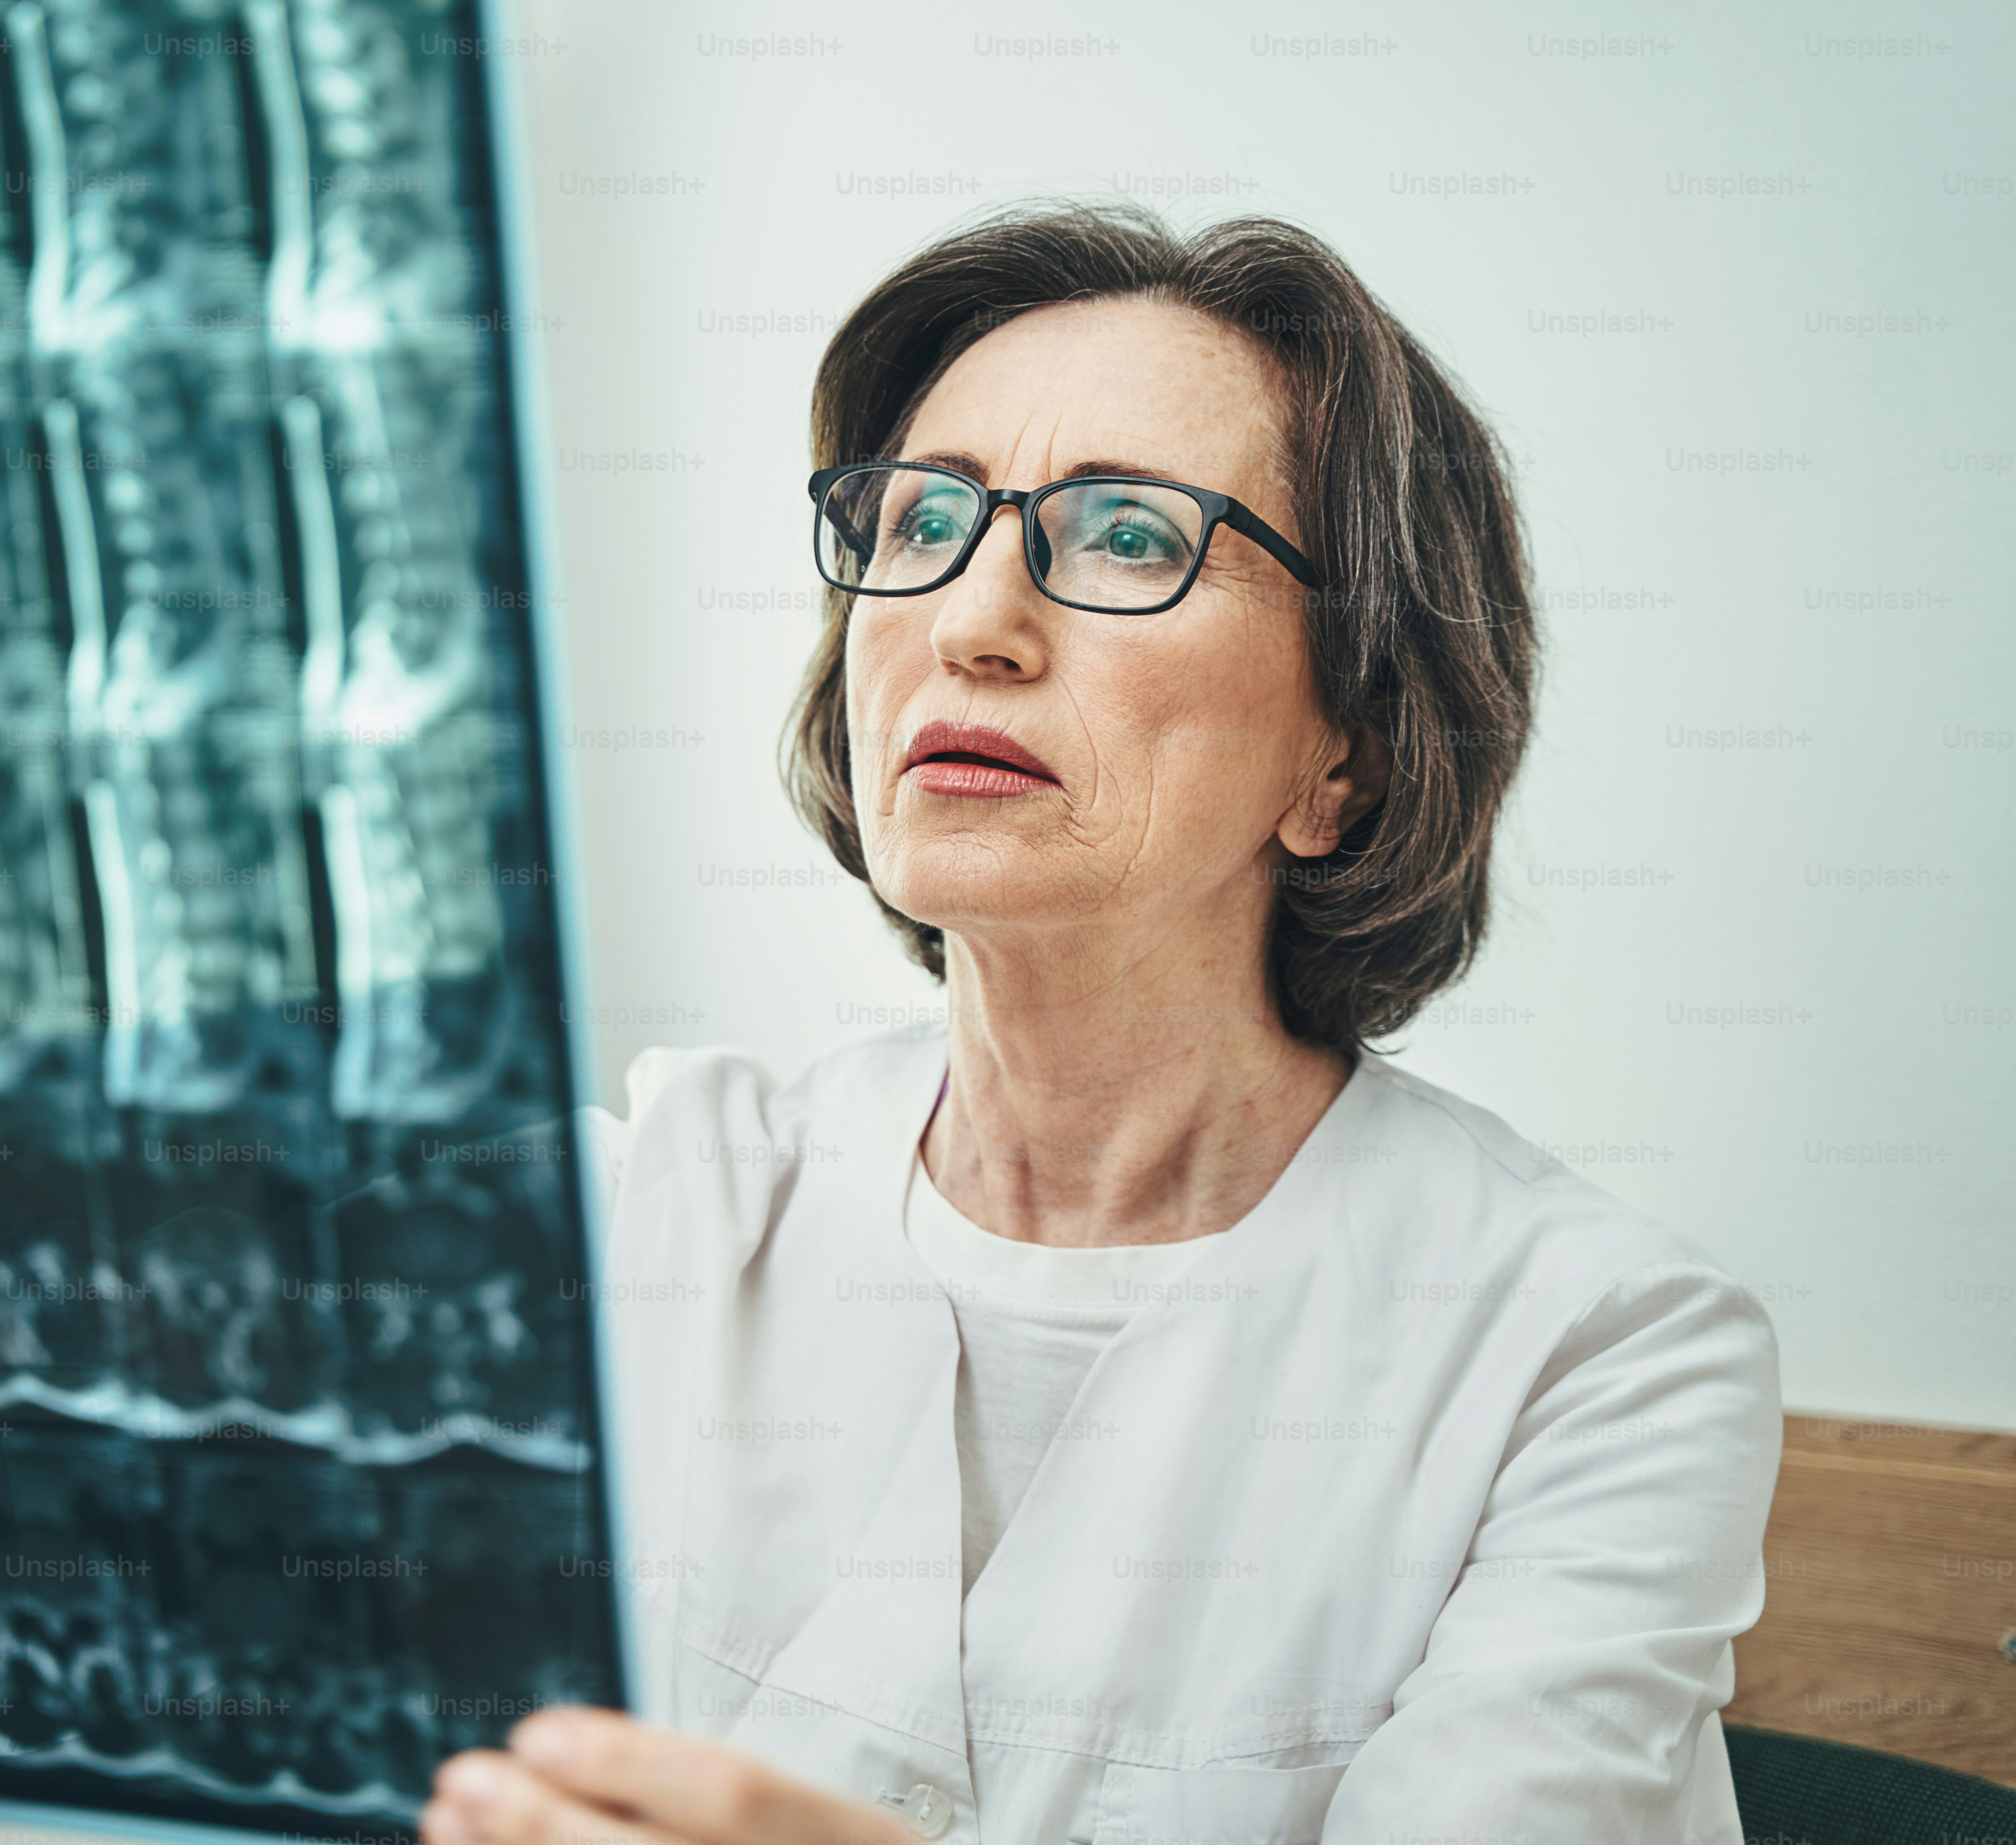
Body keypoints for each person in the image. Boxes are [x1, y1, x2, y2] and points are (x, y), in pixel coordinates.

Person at [422, 202, 1781, 1845]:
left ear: (1341, 753)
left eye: (1130, 536)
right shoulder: (630, 1217)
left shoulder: (1601, 1354)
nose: (969, 622)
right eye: (923, 518)